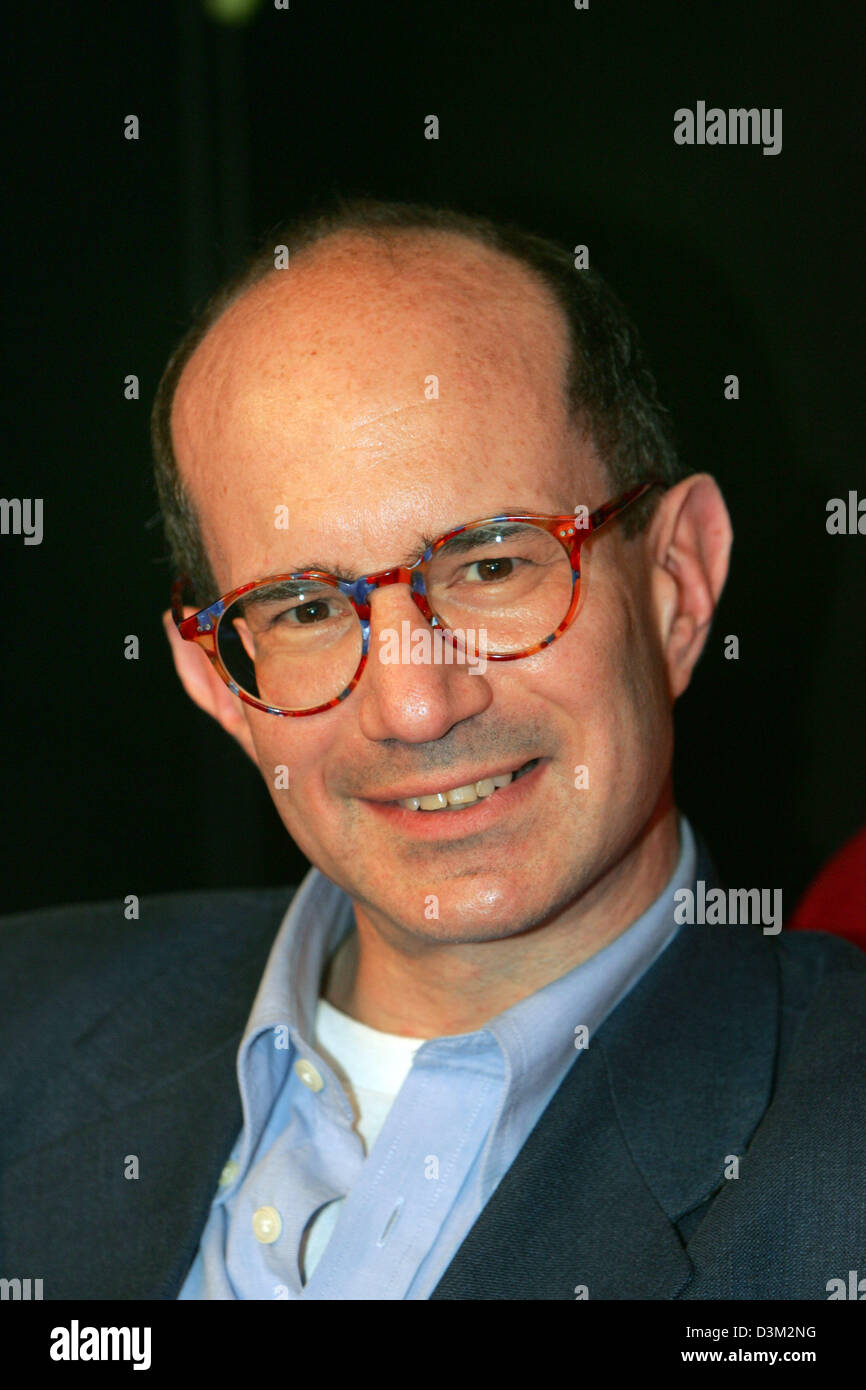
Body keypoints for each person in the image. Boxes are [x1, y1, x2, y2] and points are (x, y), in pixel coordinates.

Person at [2, 197, 864, 1301]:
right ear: (220, 680)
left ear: (676, 586)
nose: (415, 704)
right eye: (305, 608)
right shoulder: (19, 1029)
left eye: (492, 563)